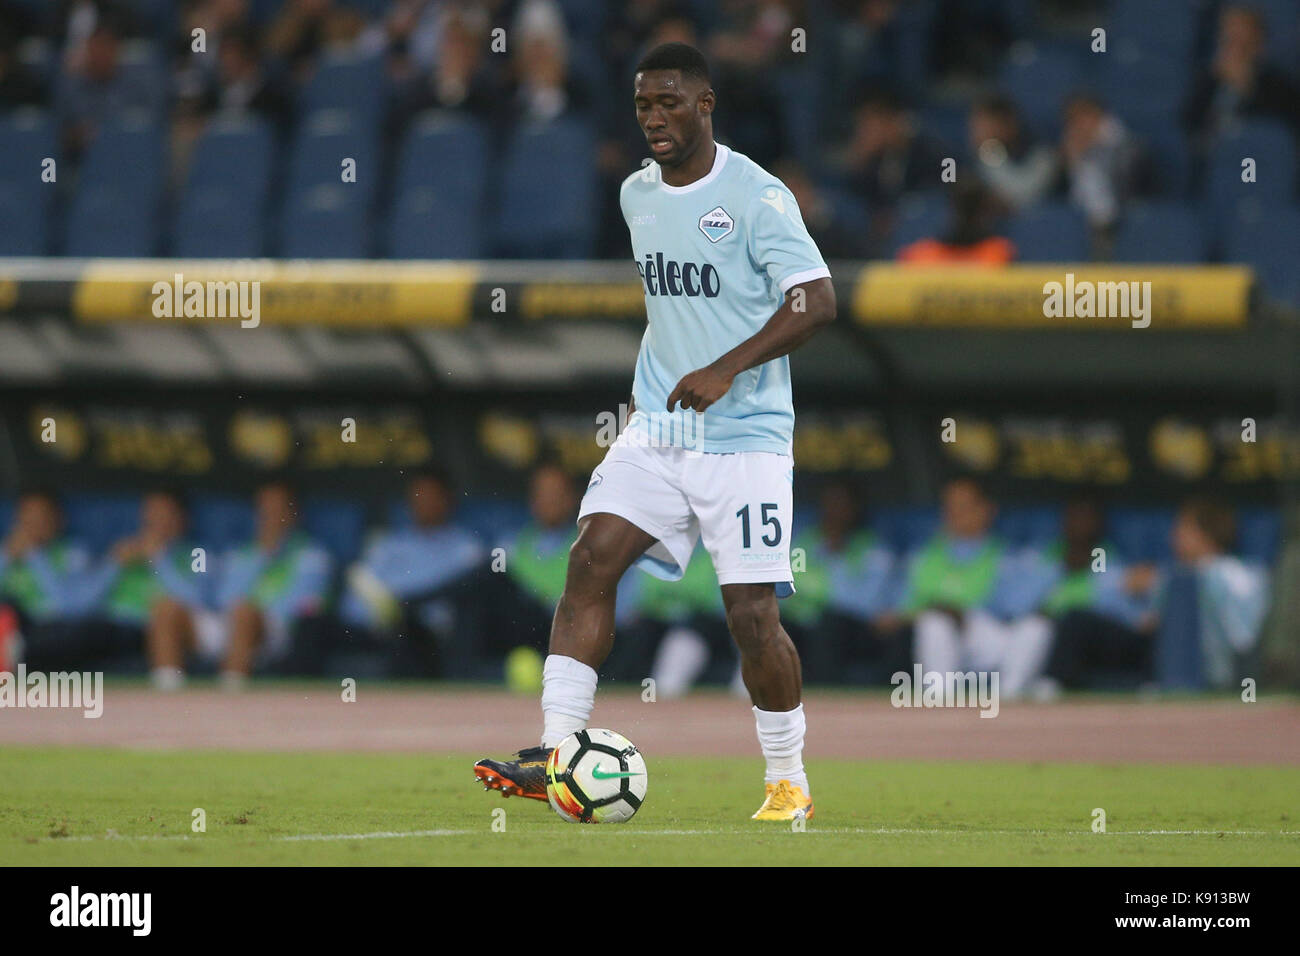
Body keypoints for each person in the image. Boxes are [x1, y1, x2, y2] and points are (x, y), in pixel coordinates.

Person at [474, 42, 836, 821]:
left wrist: (726, 367)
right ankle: (557, 752)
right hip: (658, 428)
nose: (655, 118)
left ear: (706, 105)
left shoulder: (756, 195)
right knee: (590, 560)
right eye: (643, 105)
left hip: (746, 438)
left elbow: (816, 301)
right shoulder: (636, 194)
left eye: (670, 102)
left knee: (752, 616)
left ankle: (787, 781)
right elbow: (673, 310)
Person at [147, 480, 331, 690]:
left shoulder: (313, 556)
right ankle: (168, 690)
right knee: (165, 608)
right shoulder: (239, 555)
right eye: (265, 510)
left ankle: (231, 692)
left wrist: (275, 554)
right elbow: (221, 599)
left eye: (278, 510)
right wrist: (263, 557)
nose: (271, 517)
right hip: (227, 624)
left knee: (245, 612)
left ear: (294, 514)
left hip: (275, 632)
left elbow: (299, 609)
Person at [903, 477, 1054, 699]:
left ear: (986, 510)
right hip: (950, 639)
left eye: (963, 507)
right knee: (933, 622)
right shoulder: (924, 556)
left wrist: (964, 613)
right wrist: (945, 612)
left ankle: (1009, 696)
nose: (954, 514)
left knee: (1037, 627)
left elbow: (1020, 609)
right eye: (949, 507)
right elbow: (901, 611)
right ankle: (940, 697)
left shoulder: (1009, 556)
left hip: (994, 636)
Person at [340, 468, 486, 678]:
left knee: (413, 629)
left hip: (435, 639)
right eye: (419, 495)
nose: (424, 503)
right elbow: (352, 605)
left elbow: (466, 602)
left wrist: (410, 606)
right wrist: (384, 615)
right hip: (384, 632)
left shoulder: (466, 548)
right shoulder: (387, 546)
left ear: (447, 500)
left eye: (431, 495)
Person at [0, 489, 93, 670]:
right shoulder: (5, 552)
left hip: (45, 628)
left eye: (41, 517)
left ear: (57, 519)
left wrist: (35, 556)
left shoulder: (73, 553)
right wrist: (5, 558)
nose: (35, 524)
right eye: (28, 517)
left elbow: (67, 605)